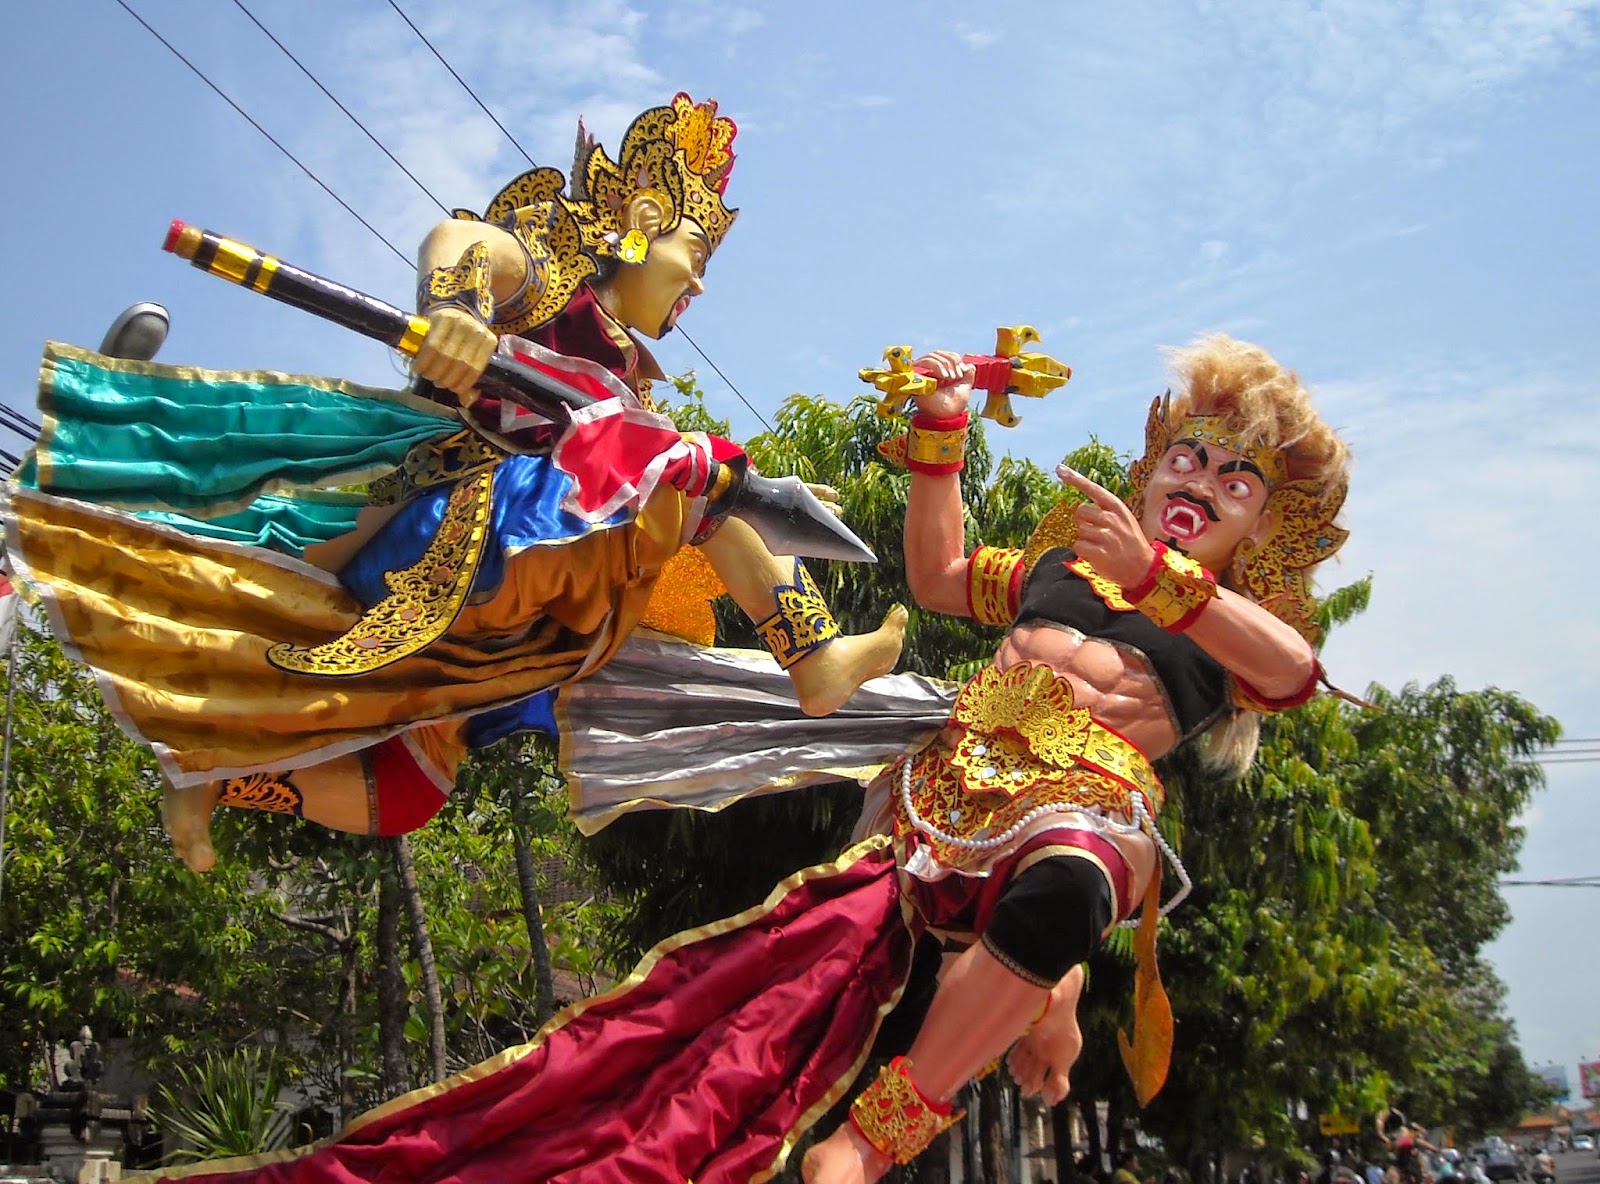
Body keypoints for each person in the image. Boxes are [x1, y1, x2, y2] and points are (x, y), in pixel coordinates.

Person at [127, 333, 1349, 1184]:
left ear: (1260, 526)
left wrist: (1165, 579)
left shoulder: (1226, 625)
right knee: (713, 1021)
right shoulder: (1064, 567)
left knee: (1070, 885)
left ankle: (870, 1141)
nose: (1197, 483)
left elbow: (1292, 672)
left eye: (1232, 481)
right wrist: (937, 437)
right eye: (1187, 457)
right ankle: (1041, 999)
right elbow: (931, 576)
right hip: (939, 792)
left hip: (1084, 805)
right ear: (1149, 462)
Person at [1, 94, 904, 872]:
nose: (700, 282)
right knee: (681, 471)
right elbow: (466, 238)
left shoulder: (628, 377)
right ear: (633, 224)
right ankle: (811, 655)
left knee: (403, 793)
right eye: (694, 253)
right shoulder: (548, 285)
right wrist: (459, 309)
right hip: (461, 522)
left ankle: (208, 768)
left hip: (516, 621)